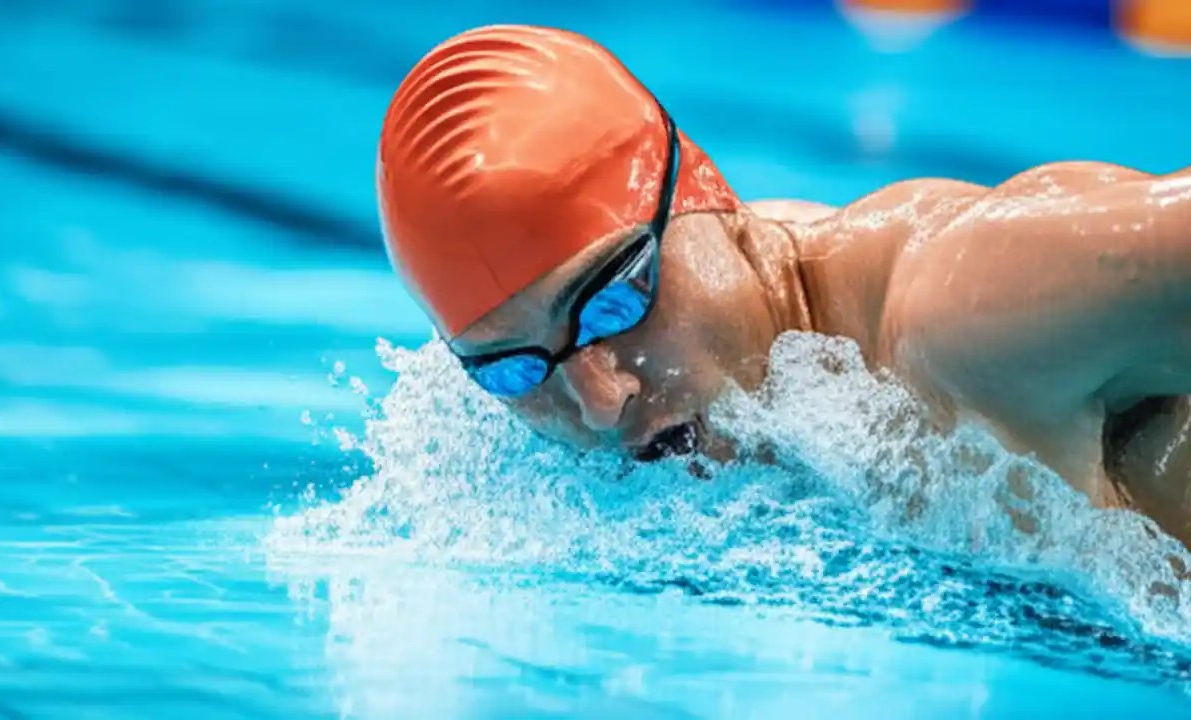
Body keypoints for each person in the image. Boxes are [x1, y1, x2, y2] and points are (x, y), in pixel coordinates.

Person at [375, 25, 1191, 546]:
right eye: (518, 369)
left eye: (618, 299)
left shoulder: (957, 313)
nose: (600, 401)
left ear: (707, 194)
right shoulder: (734, 314)